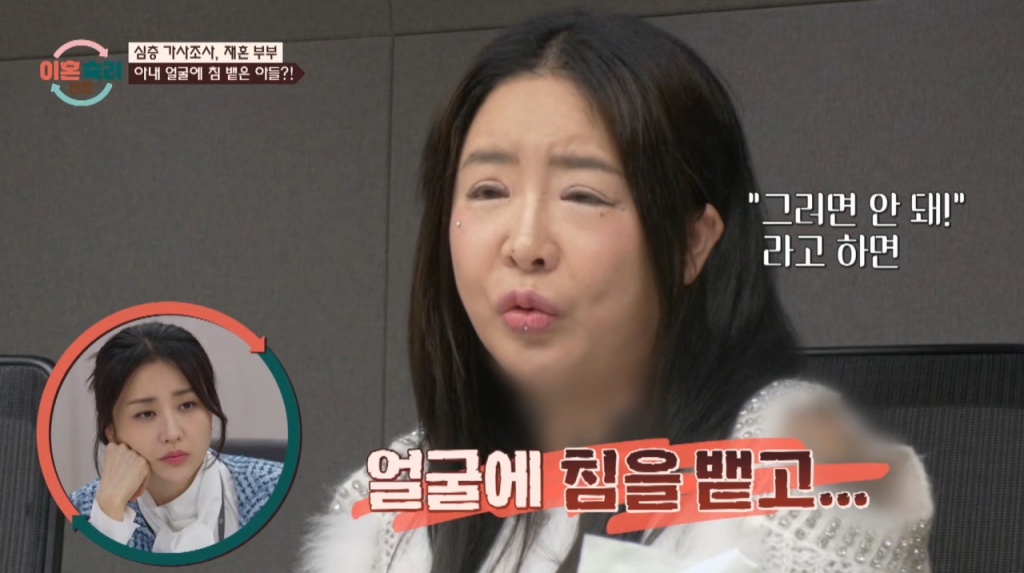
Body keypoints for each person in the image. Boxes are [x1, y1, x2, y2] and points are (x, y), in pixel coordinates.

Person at [300, 10, 933, 573]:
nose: (525, 243)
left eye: (583, 196)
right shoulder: (391, 501)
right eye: (489, 190)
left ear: (691, 243)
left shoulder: (807, 474)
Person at [69, 321, 283, 553]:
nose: (172, 434)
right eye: (146, 414)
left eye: (187, 405)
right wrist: (109, 514)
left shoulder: (273, 490)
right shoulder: (78, 512)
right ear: (111, 430)